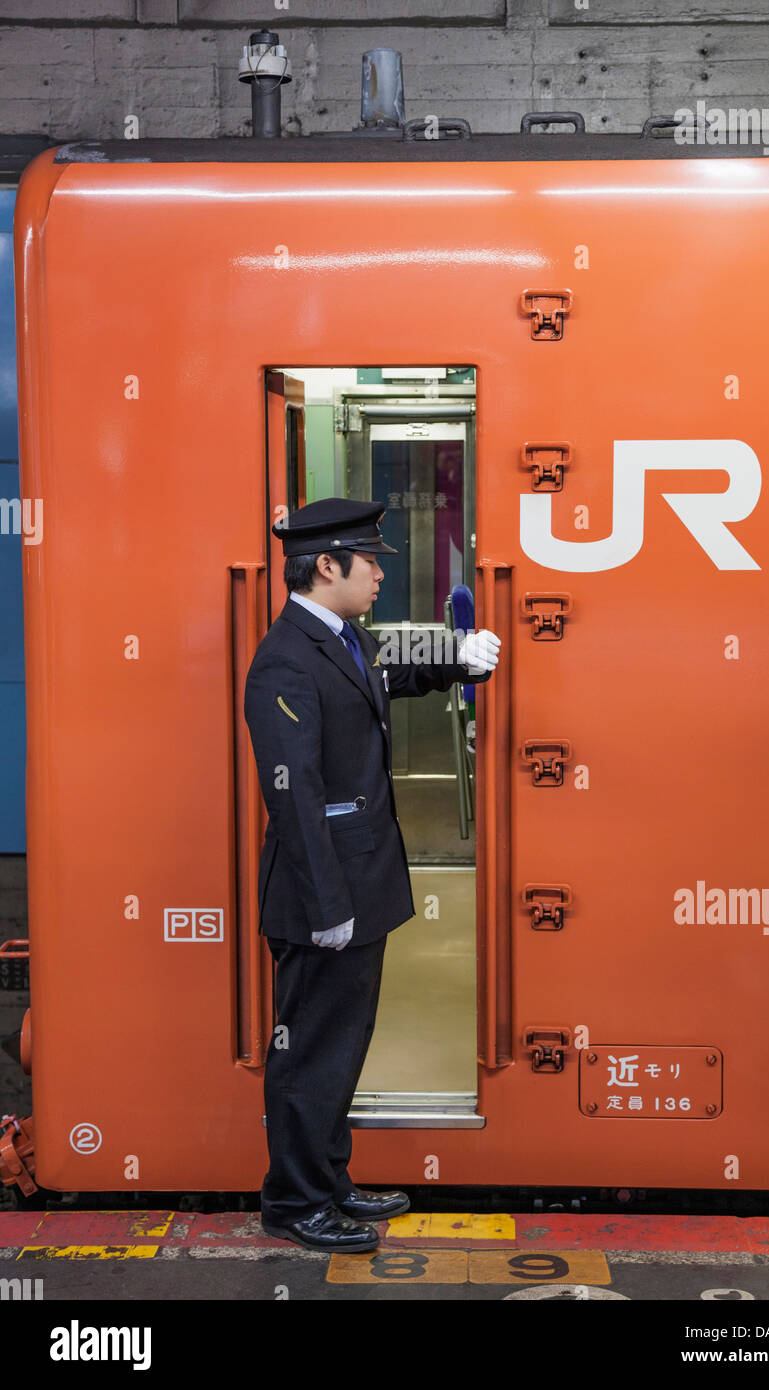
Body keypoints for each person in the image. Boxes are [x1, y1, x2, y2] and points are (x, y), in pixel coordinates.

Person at [243, 496, 501, 1252]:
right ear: (328, 566)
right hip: (322, 894)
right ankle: (294, 1202)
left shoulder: (338, 639)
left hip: (360, 884)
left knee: (344, 1041)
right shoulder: (286, 659)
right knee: (311, 1051)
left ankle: (329, 1181)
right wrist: (326, 906)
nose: (382, 574)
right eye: (373, 561)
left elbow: (378, 685)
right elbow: (295, 797)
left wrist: (453, 663)